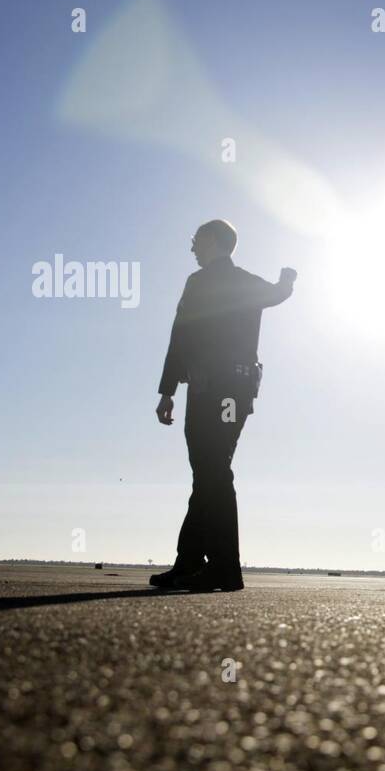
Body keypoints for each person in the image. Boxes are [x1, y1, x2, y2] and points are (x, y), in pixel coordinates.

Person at [151, 219, 296, 592]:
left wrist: (168, 390)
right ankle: (190, 563)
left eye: (196, 239)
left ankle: (224, 568)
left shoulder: (198, 283)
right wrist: (286, 281)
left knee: (212, 470)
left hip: (212, 392)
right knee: (209, 472)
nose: (192, 247)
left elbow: (179, 335)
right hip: (233, 393)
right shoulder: (245, 282)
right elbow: (276, 295)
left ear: (213, 241)